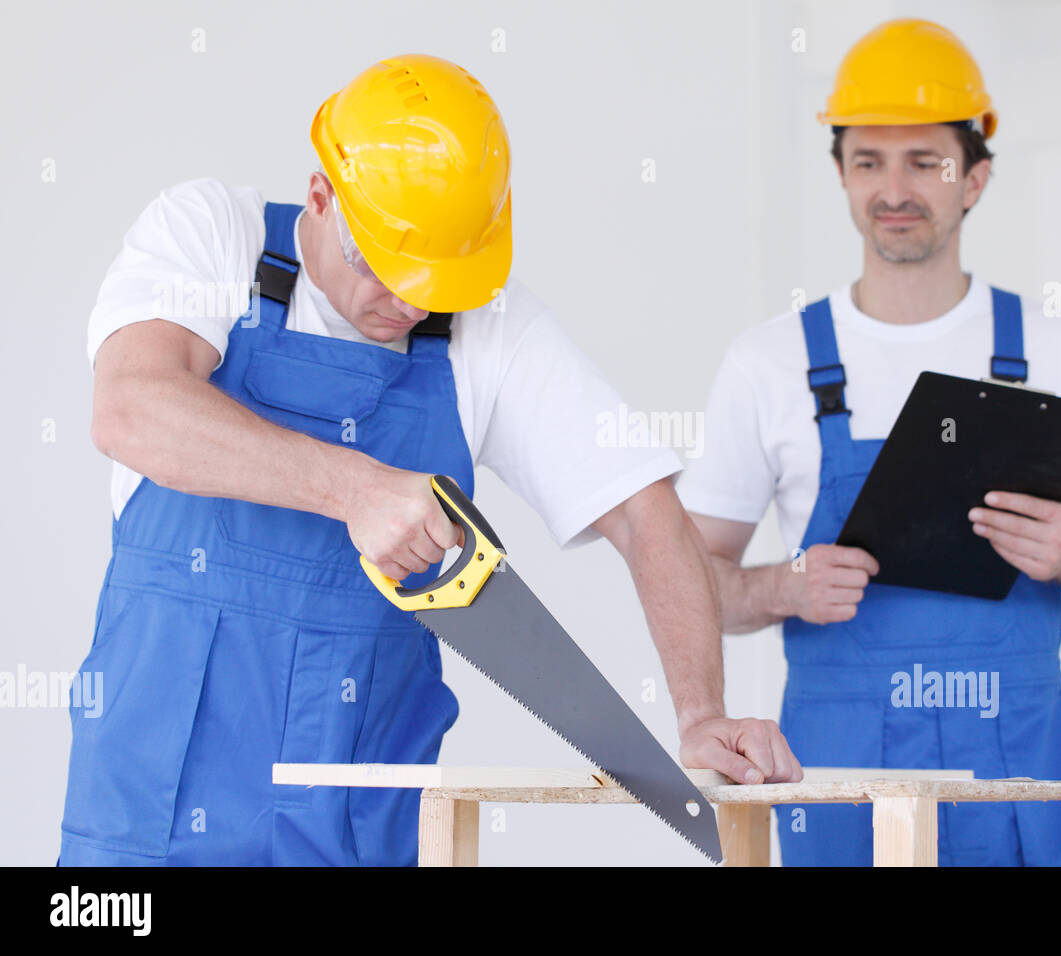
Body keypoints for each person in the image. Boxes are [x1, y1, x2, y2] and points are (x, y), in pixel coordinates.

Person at [59, 53, 799, 866]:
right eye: (384, 267)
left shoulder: (493, 333)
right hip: (151, 804)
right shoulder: (208, 235)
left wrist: (698, 714)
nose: (410, 303)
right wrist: (356, 489)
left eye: (438, 282)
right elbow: (131, 407)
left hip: (358, 818)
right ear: (321, 197)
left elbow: (644, 508)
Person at [677, 19, 1061, 866]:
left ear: (974, 177)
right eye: (868, 161)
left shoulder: (1059, 353)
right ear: (840, 173)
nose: (893, 188)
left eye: (924, 162)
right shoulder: (769, 363)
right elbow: (688, 587)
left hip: (1022, 782)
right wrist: (783, 585)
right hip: (837, 783)